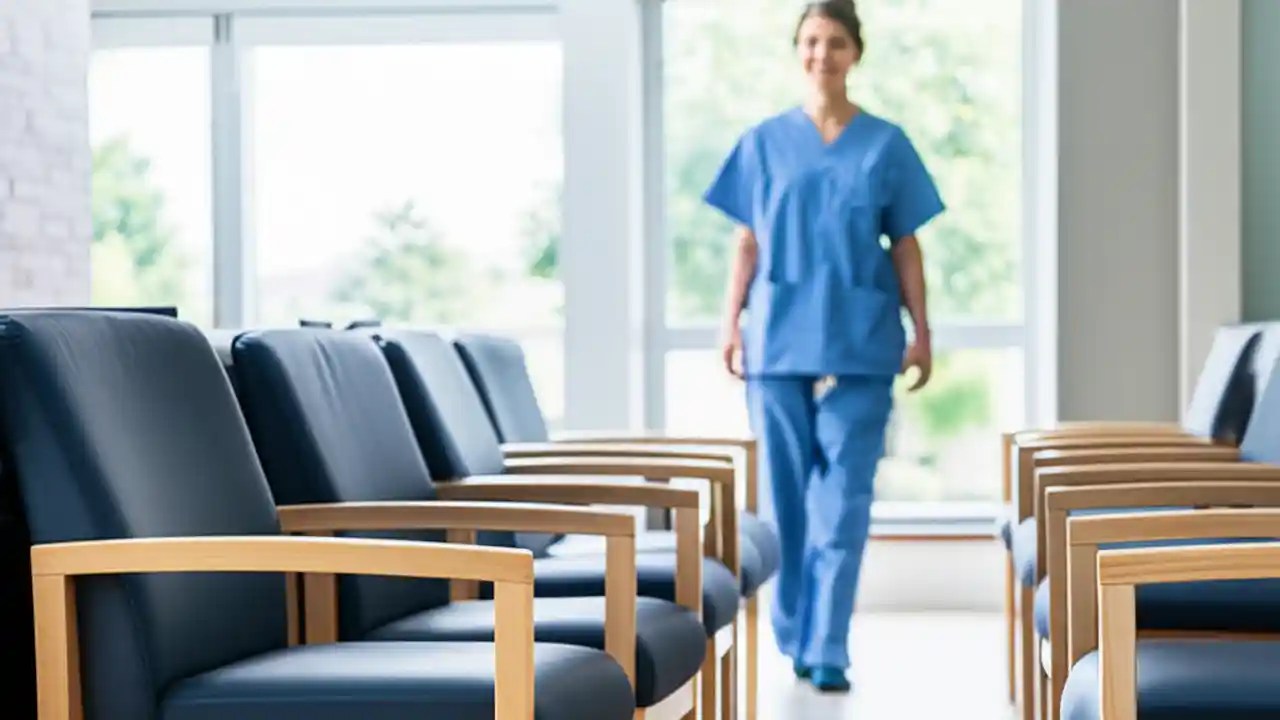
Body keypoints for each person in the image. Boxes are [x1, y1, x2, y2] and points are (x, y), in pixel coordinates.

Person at [703, 0, 944, 694]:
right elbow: (745, 241)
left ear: (855, 53)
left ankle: (829, 644)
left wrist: (922, 331)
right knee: (786, 501)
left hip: (863, 343)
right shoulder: (763, 142)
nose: (822, 53)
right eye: (811, 40)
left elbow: (906, 244)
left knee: (845, 502)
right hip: (776, 342)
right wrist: (729, 325)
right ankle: (795, 630)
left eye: (836, 41)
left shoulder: (887, 144)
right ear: (797, 49)